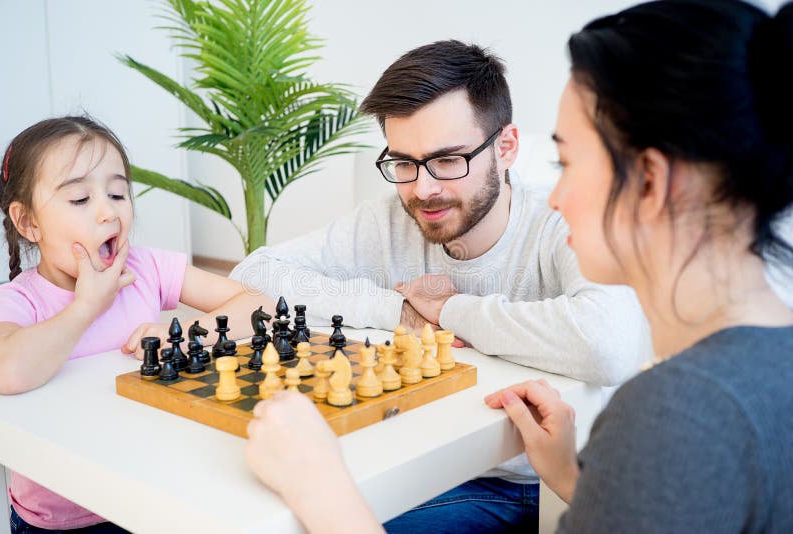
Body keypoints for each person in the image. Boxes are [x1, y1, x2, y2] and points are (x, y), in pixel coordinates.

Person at [244, 0, 793, 532]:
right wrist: (574, 479)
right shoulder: (759, 376)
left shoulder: (673, 418)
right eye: (406, 164)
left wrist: (318, 484)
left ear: (649, 181)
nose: (556, 196)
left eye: (568, 161)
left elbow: (610, 348)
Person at [231, 40, 651, 531]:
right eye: (403, 163)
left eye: (448, 160)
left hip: (523, 485)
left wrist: (451, 309)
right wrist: (399, 311)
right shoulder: (387, 221)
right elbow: (258, 271)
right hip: (407, 460)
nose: (422, 189)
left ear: (506, 147)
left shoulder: (559, 223)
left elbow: (610, 344)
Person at [0, 116, 273, 533]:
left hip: (150, 493)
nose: (108, 211)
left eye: (118, 193)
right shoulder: (18, 301)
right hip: (66, 519)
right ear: (28, 222)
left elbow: (259, 304)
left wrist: (186, 337)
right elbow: (8, 370)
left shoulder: (147, 268)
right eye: (79, 200)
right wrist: (88, 305)